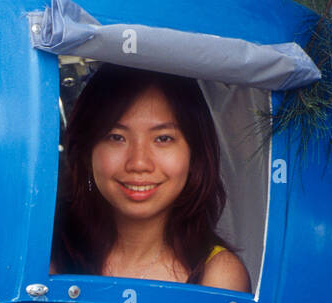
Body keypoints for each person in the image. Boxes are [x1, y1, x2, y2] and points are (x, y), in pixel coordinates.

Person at [50, 64, 251, 290]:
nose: (138, 163)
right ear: (87, 151)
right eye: (116, 137)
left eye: (163, 139)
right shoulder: (45, 255)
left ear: (195, 153)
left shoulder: (218, 276)